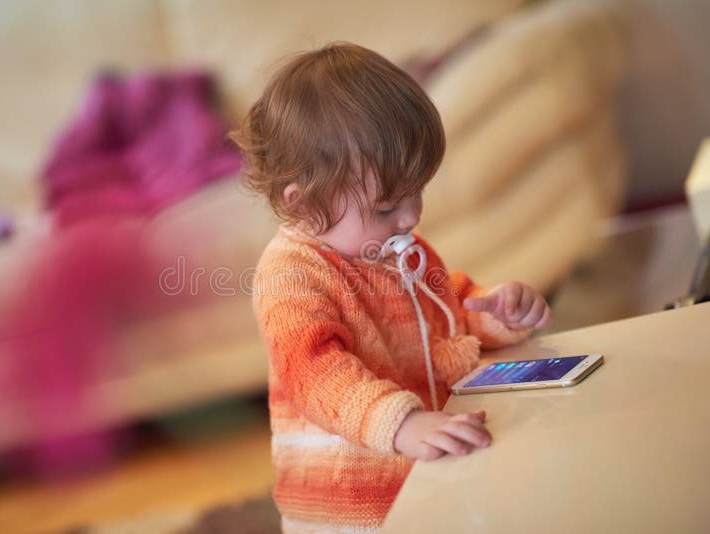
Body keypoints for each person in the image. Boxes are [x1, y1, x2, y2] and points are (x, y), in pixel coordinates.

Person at [230, 42, 551, 533]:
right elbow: (316, 373)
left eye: (417, 192)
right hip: (347, 508)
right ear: (301, 205)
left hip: (420, 475)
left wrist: (498, 311)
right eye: (386, 207)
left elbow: (448, 304)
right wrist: (401, 424)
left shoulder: (394, 246)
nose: (411, 216)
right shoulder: (290, 276)